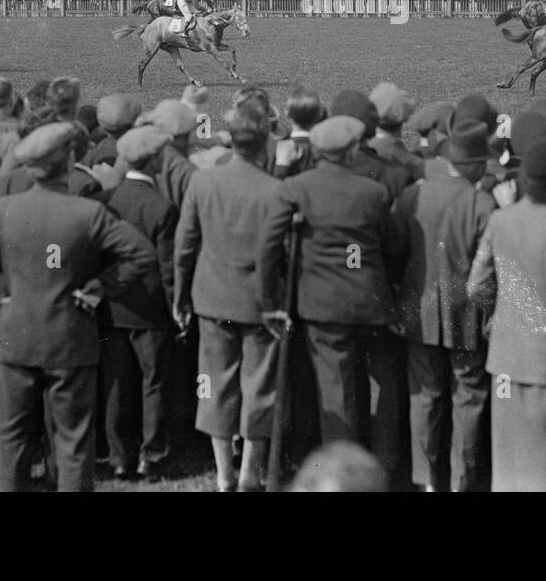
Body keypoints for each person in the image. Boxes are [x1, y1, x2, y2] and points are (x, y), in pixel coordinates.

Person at [0, 122, 153, 492]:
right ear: (68, 162)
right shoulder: (88, 213)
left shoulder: (2, 209)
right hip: (70, 336)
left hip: (14, 335)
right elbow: (141, 254)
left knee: (11, 439)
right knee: (72, 441)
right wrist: (101, 286)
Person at [258, 115, 407, 483]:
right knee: (379, 384)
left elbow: (267, 246)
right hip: (371, 302)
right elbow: (393, 245)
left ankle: (344, 478)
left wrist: (269, 301)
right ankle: (384, 465)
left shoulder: (296, 186)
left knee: (336, 390)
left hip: (322, 304)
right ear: (352, 150)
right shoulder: (373, 192)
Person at [467, 137, 546, 491]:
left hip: (506, 358)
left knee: (510, 459)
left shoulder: (500, 221)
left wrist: (503, 311)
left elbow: (476, 285)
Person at [173, 101, 283, 492]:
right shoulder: (276, 191)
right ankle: (250, 472)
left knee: (214, 382)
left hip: (212, 298)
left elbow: (184, 245)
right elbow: (276, 255)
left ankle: (224, 474)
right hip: (259, 303)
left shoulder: (204, 182)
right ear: (265, 142)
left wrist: (181, 295)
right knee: (259, 384)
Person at [390, 120, 494, 492]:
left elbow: (394, 250)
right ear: (479, 165)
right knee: (468, 399)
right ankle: (461, 481)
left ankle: (425, 480)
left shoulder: (414, 196)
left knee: (424, 397)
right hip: (468, 317)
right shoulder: (483, 202)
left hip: (420, 311)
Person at [101, 126, 178, 482]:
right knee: (153, 382)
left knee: (118, 382)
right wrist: (176, 306)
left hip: (114, 304)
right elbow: (167, 266)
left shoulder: (107, 198)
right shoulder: (161, 205)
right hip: (150, 308)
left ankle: (119, 456)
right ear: (153, 160)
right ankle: (152, 455)